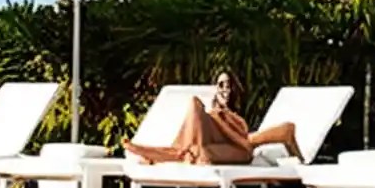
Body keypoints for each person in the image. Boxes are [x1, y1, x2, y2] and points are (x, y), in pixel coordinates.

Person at [123, 71, 302, 165]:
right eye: (221, 85)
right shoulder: (213, 115)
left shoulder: (235, 117)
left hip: (237, 150)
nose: (225, 89)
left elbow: (245, 143)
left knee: (195, 150)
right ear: (215, 88)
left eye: (229, 85)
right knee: (195, 111)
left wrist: (219, 119)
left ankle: (157, 154)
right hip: (209, 146)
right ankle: (161, 153)